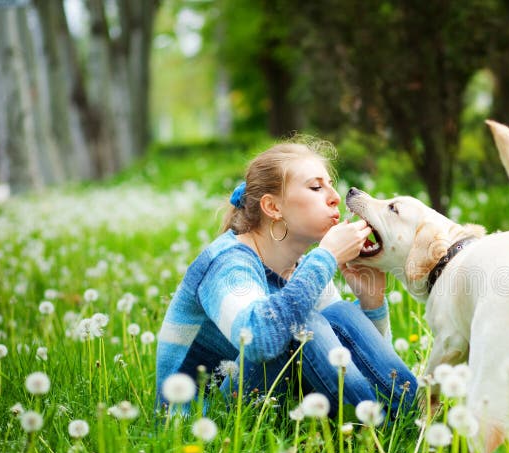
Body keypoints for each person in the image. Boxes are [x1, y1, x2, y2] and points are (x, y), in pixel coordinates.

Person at [155, 139, 417, 417]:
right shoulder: (227, 263)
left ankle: (411, 414)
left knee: (338, 313)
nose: (335, 197)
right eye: (316, 187)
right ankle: (381, 429)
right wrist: (326, 257)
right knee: (299, 320)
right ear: (273, 207)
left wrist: (371, 303)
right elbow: (257, 339)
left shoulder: (301, 269)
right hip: (204, 421)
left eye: (330, 184)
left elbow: (362, 364)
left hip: (269, 407)